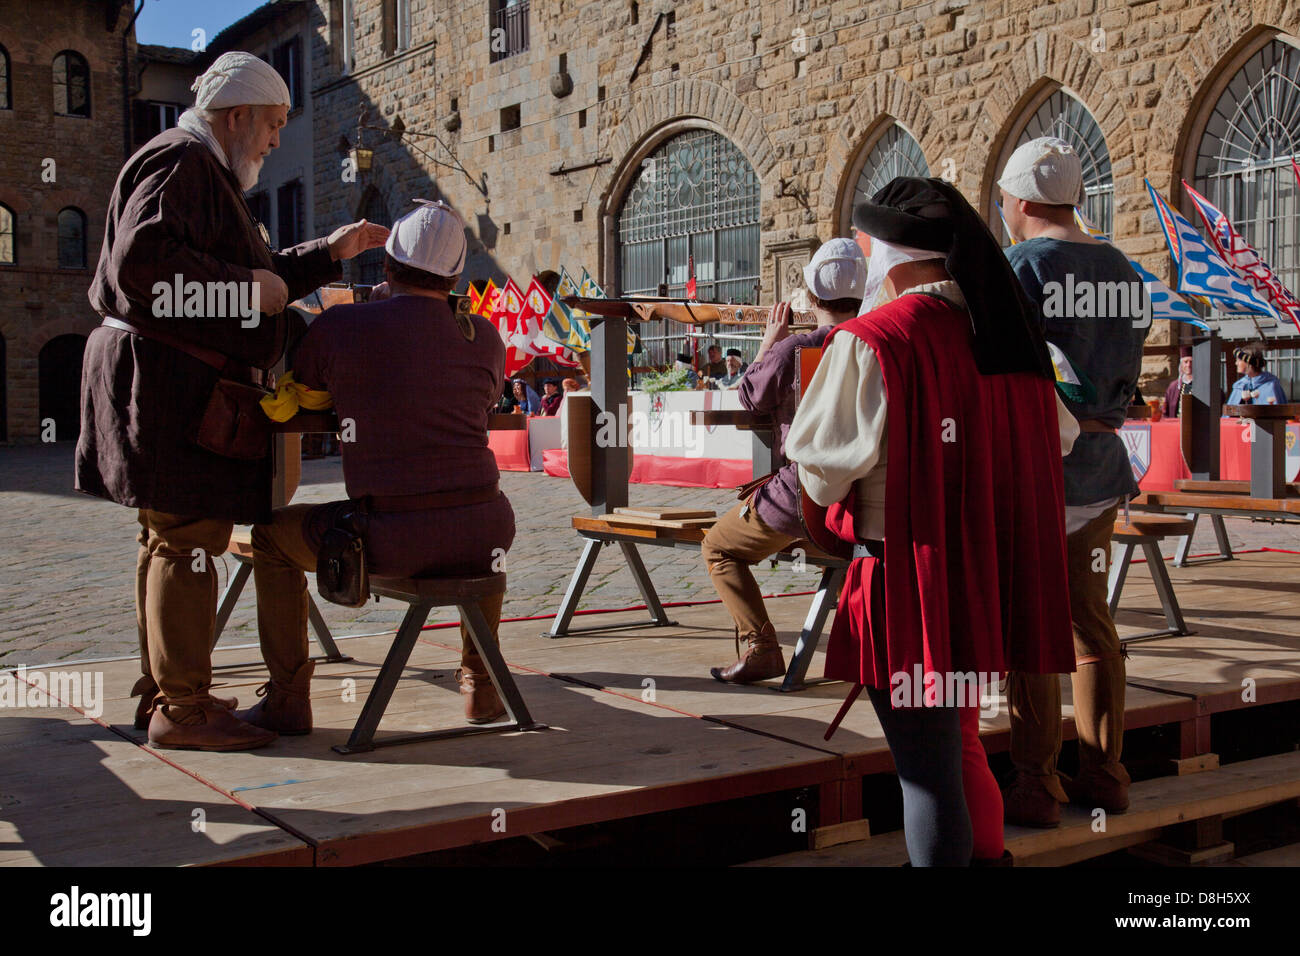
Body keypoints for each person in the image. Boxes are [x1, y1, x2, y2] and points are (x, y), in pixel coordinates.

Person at [75, 52, 388, 751]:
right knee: (184, 540)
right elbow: (143, 270)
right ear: (236, 115)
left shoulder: (201, 169)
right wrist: (248, 291)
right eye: (273, 123)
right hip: (167, 384)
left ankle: (171, 690)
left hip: (166, 379)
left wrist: (325, 254)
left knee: (171, 539)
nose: (277, 139)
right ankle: (182, 710)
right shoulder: (183, 163)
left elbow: (248, 269)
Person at [786, 178, 1077, 866]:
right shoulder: (1009, 336)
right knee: (959, 746)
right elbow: (1059, 437)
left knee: (928, 771)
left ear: (889, 253)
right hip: (986, 577)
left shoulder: (872, 339)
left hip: (909, 585)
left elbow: (821, 475)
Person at [244, 200, 516, 731]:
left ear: (387, 267)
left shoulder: (346, 324)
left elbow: (310, 389)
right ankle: (481, 686)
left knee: (271, 538)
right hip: (487, 530)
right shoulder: (484, 336)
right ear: (456, 276)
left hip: (389, 537)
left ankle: (288, 698)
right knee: (477, 530)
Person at [998, 136, 1150, 825]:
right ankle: (1107, 772)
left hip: (1039, 467)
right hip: (1103, 465)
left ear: (1021, 200)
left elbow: (1000, 373)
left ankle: (1037, 783)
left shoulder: (1020, 267)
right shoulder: (1122, 266)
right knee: (1092, 623)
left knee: (1032, 625)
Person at [703, 238, 867, 683]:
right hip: (862, 499)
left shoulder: (794, 348)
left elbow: (752, 397)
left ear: (812, 297)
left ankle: (761, 647)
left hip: (804, 496)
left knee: (717, 547)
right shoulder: (876, 342)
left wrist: (767, 346)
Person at [1164, 346, 1193, 416]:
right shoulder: (1173, 387)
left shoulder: (1204, 385)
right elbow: (1165, 411)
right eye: (1185, 362)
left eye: (1191, 362)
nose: (1188, 365)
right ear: (1181, 364)